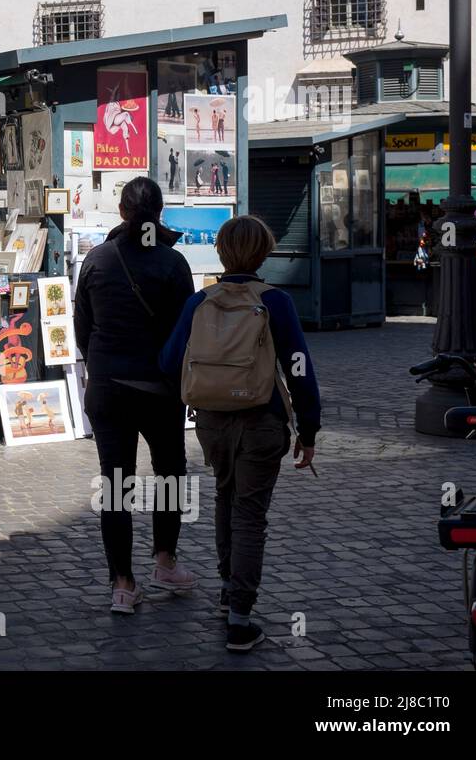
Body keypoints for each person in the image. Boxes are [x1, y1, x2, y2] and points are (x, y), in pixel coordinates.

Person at [159, 215, 321, 652]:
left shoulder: (201, 301)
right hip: (261, 420)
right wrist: (309, 430)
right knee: (250, 514)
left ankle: (229, 590)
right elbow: (299, 368)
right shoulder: (276, 301)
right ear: (265, 251)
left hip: (211, 420)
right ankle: (240, 617)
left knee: (225, 499)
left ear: (221, 251)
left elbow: (169, 359)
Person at [74, 176, 197, 614]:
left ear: (122, 211)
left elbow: (82, 330)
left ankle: (123, 585)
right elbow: (187, 334)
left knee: (115, 484)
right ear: (159, 212)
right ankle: (164, 560)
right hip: (159, 390)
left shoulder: (97, 259)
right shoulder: (173, 263)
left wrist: (104, 366)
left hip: (107, 388)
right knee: (168, 476)